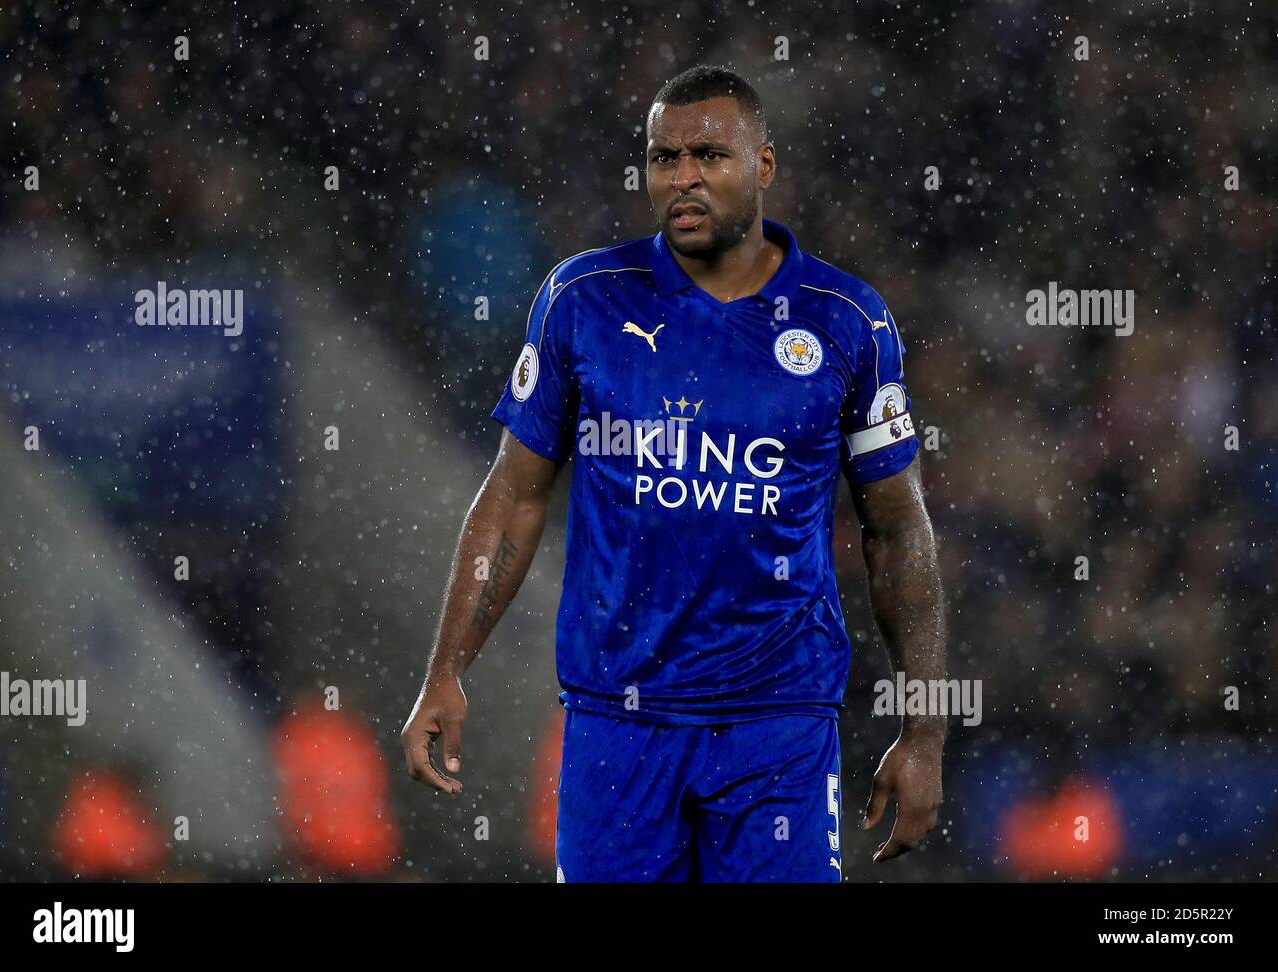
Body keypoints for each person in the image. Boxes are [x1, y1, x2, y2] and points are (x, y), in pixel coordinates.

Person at [402, 65, 947, 882]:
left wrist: (925, 733)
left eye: (708, 155)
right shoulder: (584, 299)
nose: (682, 177)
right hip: (617, 726)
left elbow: (898, 531)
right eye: (662, 158)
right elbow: (513, 497)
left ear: (764, 166)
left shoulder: (846, 321)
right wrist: (446, 668)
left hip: (778, 726)